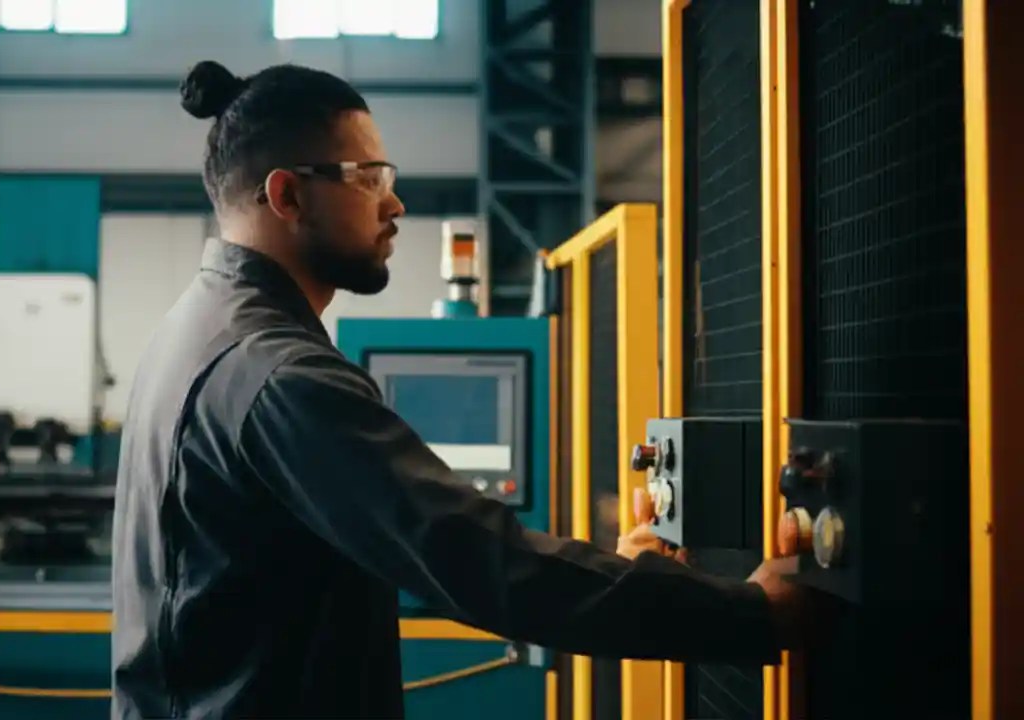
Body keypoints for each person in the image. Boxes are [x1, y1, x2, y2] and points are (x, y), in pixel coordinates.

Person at [111, 59, 805, 720]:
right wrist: (751, 613)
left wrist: (625, 580)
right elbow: (477, 558)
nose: (396, 203)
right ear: (287, 194)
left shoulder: (193, 331)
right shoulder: (277, 373)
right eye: (369, 178)